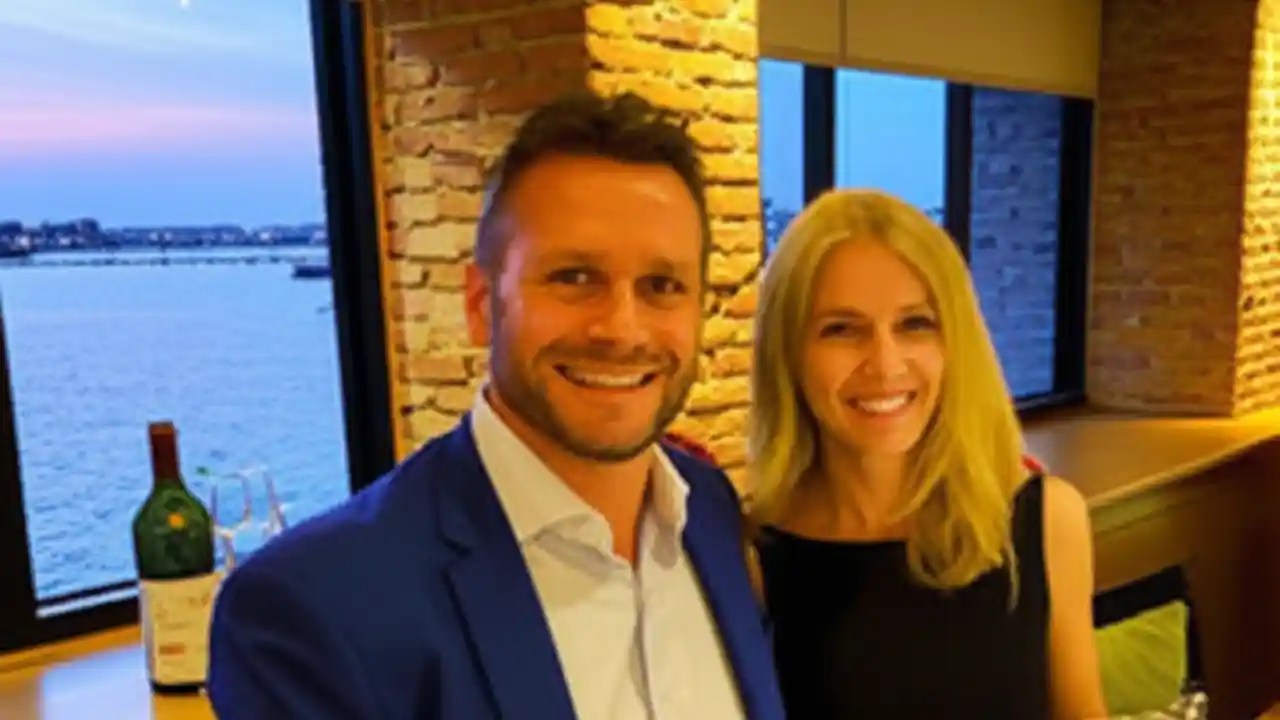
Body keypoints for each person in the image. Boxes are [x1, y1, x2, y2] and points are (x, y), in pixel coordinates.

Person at [206, 90, 785, 720]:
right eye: (574, 277)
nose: (623, 329)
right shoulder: (312, 612)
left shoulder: (711, 513)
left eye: (662, 286)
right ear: (482, 303)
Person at [746, 188, 1107, 719]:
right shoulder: (753, 550)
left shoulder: (1049, 520)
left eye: (916, 324)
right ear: (788, 354)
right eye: (841, 330)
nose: (886, 364)